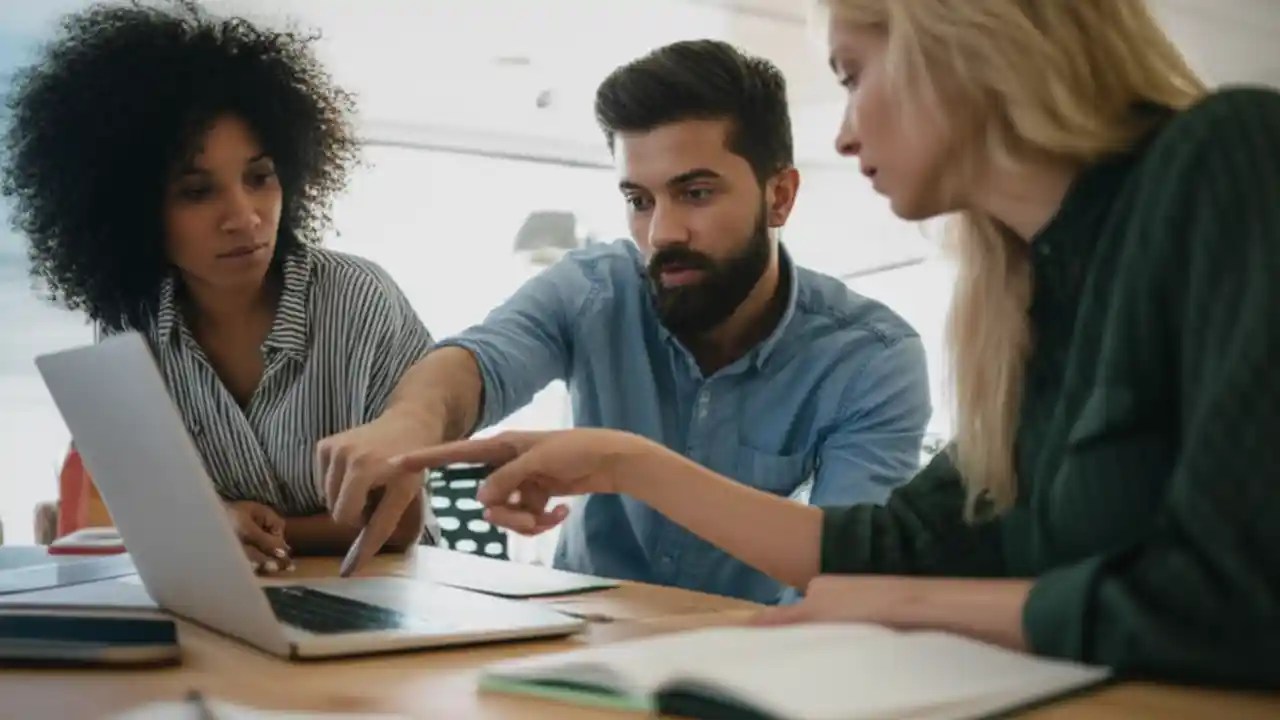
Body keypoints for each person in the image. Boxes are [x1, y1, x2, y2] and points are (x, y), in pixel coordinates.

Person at [379, 0, 1280, 688]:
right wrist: (624, 462)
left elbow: (1243, 603)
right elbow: (902, 541)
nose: (847, 131)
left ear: (959, 39)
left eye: (850, 74)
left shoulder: (1229, 156)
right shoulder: (1029, 300)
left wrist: (903, 606)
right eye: (639, 200)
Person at [316, 39, 932, 600]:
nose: (662, 233)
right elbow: (480, 360)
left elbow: (854, 566)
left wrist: (632, 465)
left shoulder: (871, 358)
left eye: (696, 193)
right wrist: (409, 423)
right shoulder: (594, 290)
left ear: (780, 196)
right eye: (639, 201)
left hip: (751, 655)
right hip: (577, 644)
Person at [2, 1, 436, 573]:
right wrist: (216, 524)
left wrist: (224, 528)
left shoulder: (359, 301)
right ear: (131, 211)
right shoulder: (128, 324)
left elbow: (400, 522)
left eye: (259, 178)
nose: (245, 216)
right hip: (234, 604)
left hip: (386, 598)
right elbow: (147, 504)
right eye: (197, 192)